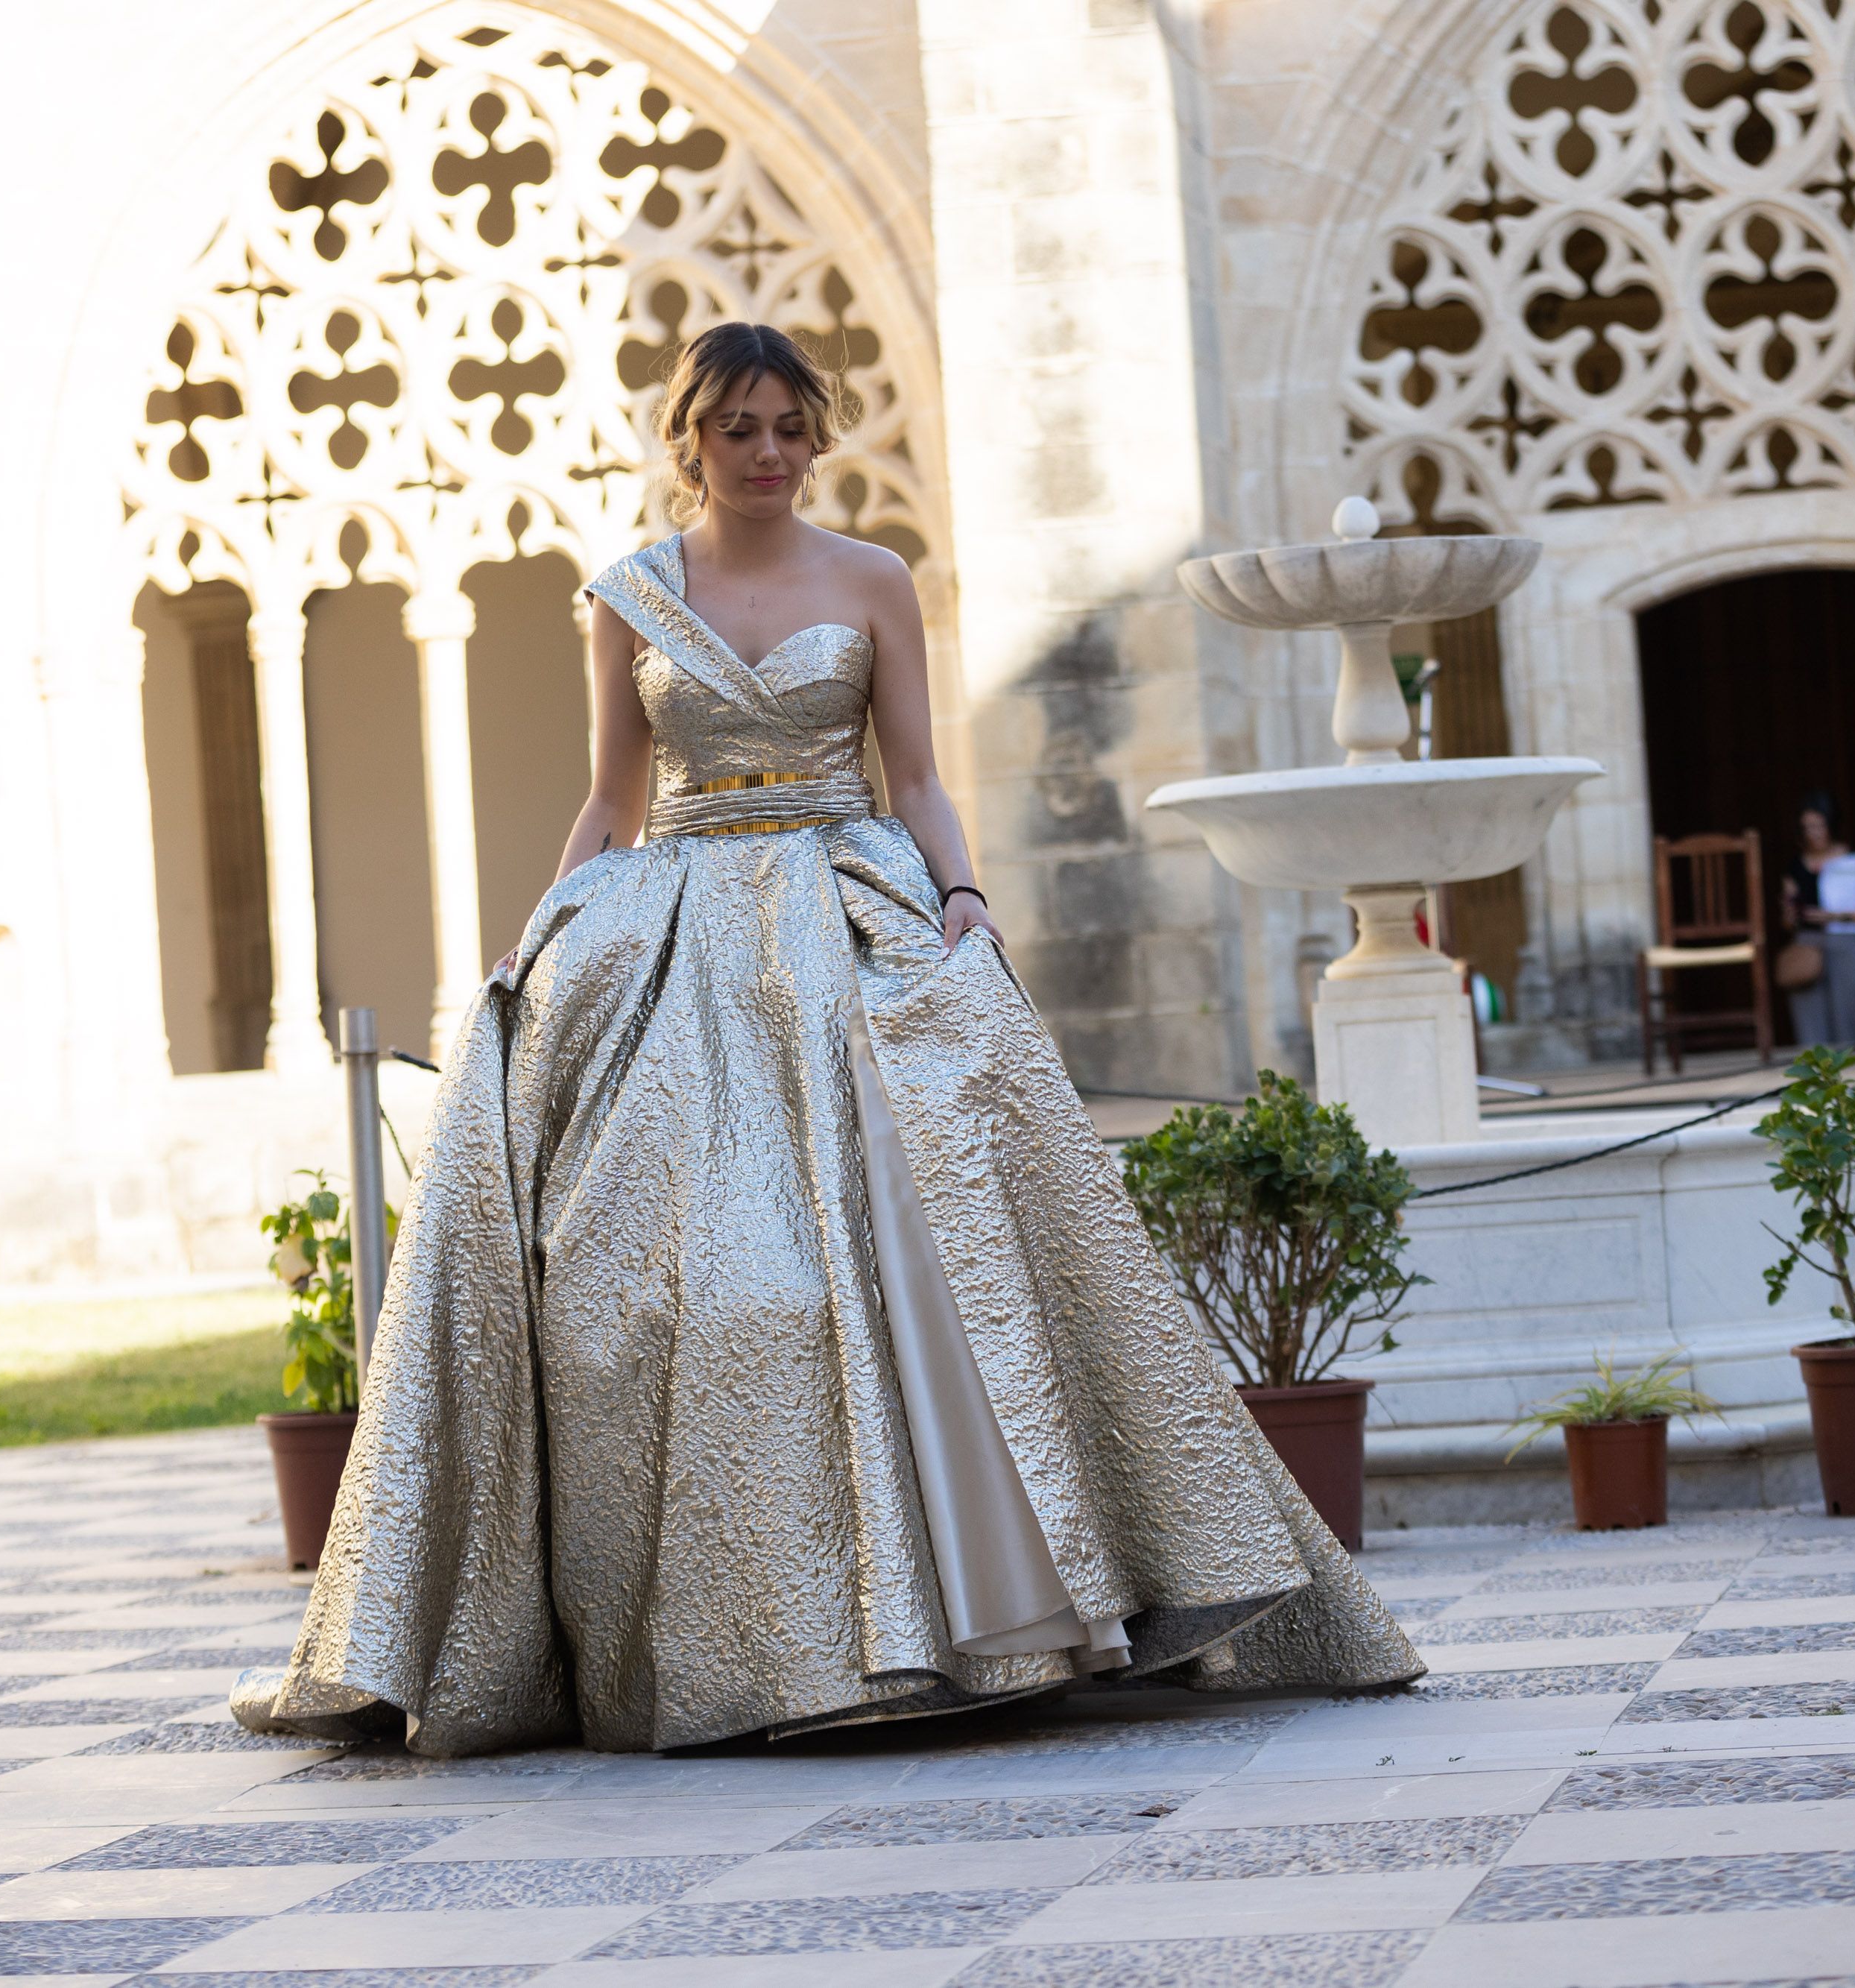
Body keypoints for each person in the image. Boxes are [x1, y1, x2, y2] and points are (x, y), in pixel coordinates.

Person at [235, 324, 1421, 1756]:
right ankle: (721, 1641)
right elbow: (612, 796)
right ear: (691, 438)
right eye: (738, 427)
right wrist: (541, 929)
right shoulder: (626, 595)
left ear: (816, 434)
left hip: (844, 913)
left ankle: (984, 1606)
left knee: (921, 1249)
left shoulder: (871, 581)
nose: (769, 452)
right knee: (679, 1287)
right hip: (671, 932)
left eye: (791, 425)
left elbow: (910, 771)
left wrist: (966, 897)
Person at [1782, 792, 1855, 1047]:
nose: (1814, 833)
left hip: (1847, 939)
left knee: (1850, 1027)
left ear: (1832, 824)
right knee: (1811, 1034)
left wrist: (1836, 916)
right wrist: (1791, 912)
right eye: (1807, 827)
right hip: (1808, 945)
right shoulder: (1795, 866)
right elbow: (1786, 922)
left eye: (1819, 825)